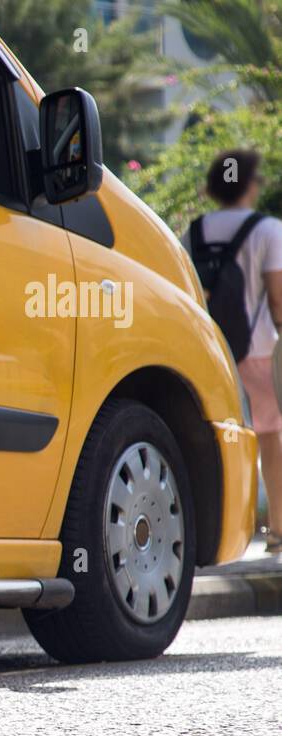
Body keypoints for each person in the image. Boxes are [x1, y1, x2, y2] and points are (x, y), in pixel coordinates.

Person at [185, 150, 282, 552]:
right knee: (272, 441)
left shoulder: (195, 231)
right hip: (259, 350)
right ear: (251, 185)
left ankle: (226, 536)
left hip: (213, 353)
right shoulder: (268, 231)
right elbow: (278, 299)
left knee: (222, 441)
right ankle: (278, 531)